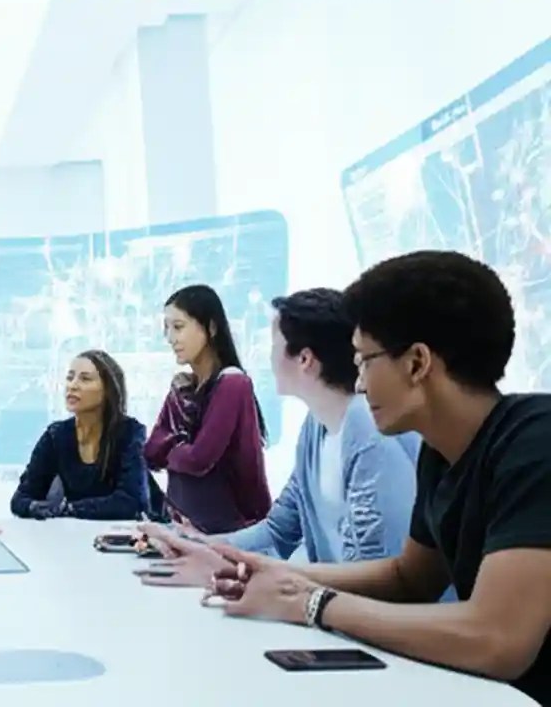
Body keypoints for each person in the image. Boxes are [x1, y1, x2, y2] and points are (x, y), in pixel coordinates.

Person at [201, 251, 551, 704]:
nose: (360, 383)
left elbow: (496, 638)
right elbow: (409, 577)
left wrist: (312, 604)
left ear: (417, 363)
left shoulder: (535, 443)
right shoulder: (440, 454)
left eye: (365, 360)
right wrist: (278, 575)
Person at [137, 288, 419, 587]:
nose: (268, 354)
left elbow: (377, 573)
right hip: (341, 610)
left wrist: (253, 577)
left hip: (380, 621)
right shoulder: (315, 427)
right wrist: (197, 545)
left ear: (305, 359)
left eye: (274, 343)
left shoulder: (366, 427)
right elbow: (277, 530)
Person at [143, 285, 271, 534]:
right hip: (188, 531)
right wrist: (178, 442)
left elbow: (199, 459)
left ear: (211, 327)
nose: (170, 338)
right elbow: (151, 454)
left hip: (232, 535)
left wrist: (172, 447)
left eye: (178, 327)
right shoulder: (184, 388)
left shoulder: (233, 383)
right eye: (166, 329)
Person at [10, 350, 152, 520]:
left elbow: (131, 502)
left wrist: (68, 509)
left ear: (108, 389)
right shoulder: (56, 435)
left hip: (125, 537)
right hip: (76, 534)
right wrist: (34, 507)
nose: (73, 385)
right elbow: (20, 499)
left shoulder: (130, 433)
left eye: (85, 379)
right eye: (70, 378)